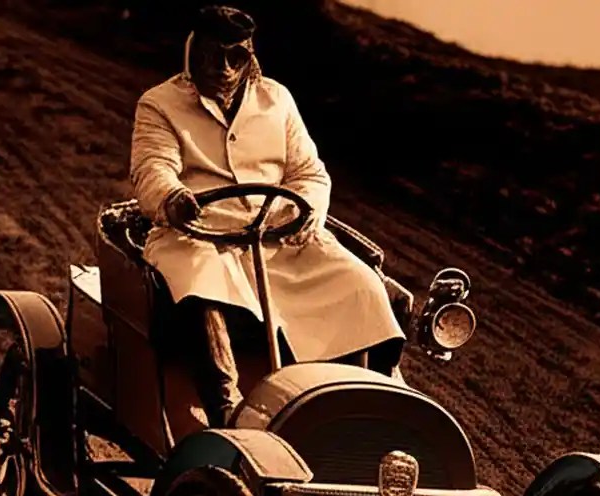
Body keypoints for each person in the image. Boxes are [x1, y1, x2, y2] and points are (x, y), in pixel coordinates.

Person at [129, 5, 405, 428]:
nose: (221, 68)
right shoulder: (160, 104)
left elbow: (308, 172)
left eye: (234, 57)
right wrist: (173, 197)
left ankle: (364, 410)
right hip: (199, 237)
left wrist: (307, 209)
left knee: (362, 284)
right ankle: (225, 414)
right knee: (198, 281)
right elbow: (152, 169)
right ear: (191, 51)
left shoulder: (277, 100)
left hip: (280, 239)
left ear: (250, 56)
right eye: (209, 54)